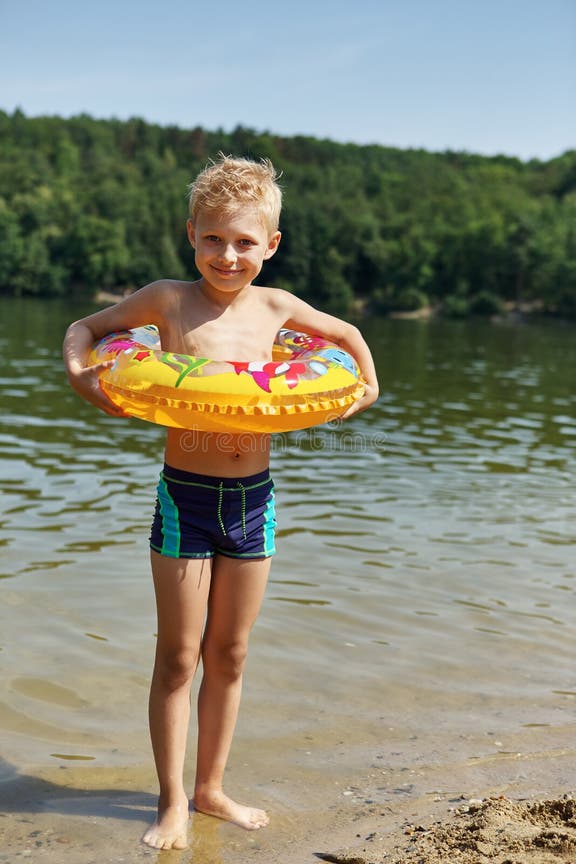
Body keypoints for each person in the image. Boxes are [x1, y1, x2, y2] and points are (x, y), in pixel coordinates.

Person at [62, 154, 379, 851]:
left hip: (253, 501)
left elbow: (351, 341)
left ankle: (211, 787)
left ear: (270, 246)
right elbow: (85, 329)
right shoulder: (169, 301)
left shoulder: (279, 308)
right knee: (178, 656)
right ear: (191, 235)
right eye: (213, 239)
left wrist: (368, 389)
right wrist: (86, 381)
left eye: (243, 242)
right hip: (186, 497)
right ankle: (172, 799)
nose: (227, 256)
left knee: (230, 654)